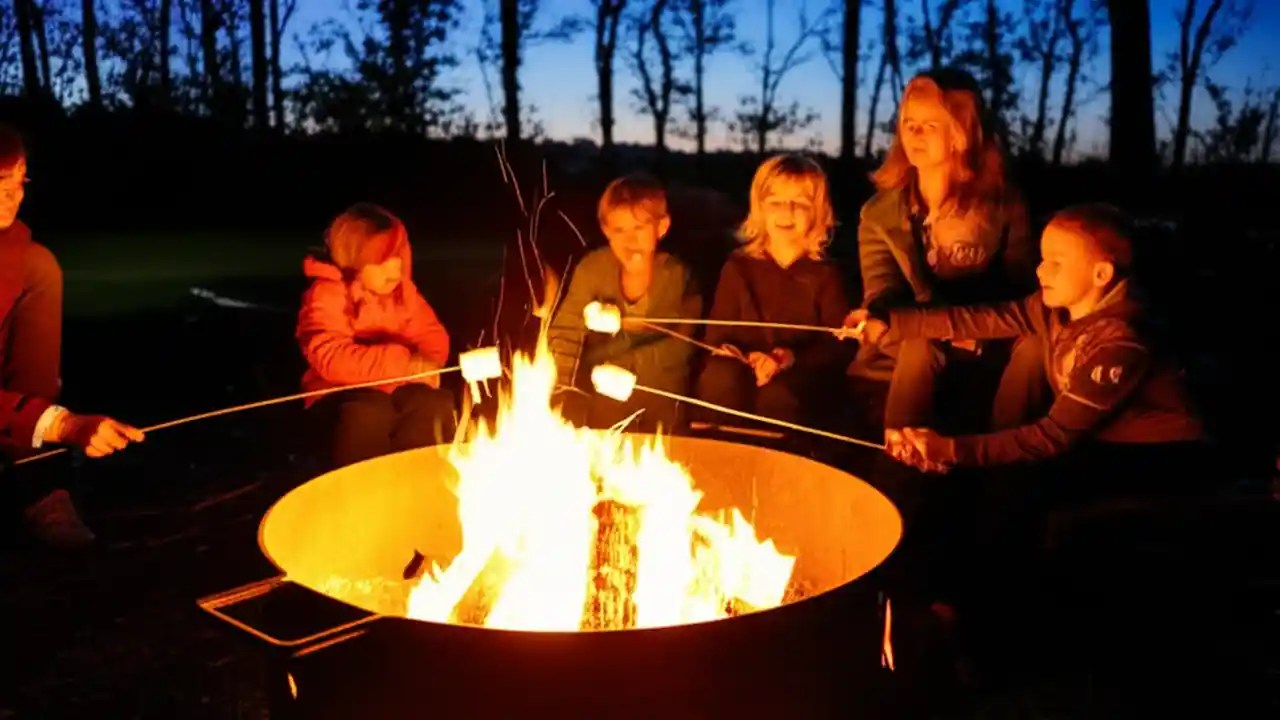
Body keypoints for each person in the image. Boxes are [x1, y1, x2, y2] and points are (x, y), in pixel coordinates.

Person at [849, 68, 1042, 435]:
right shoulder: (878, 212)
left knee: (1034, 347)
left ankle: (1006, 463)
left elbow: (1020, 290)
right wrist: (874, 316)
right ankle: (902, 460)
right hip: (910, 339)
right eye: (908, 122)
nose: (914, 133)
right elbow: (882, 289)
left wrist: (971, 330)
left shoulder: (1003, 205)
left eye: (930, 125)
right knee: (921, 343)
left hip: (986, 331)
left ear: (960, 133)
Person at [0, 123, 142, 549]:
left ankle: (39, 486)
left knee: (39, 265)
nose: (15, 197)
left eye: (19, 181)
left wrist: (43, 421)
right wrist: (61, 424)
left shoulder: (19, 258)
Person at [297, 203, 456, 470]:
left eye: (400, 258)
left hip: (397, 389)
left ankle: (421, 482)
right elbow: (330, 356)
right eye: (382, 261)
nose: (395, 270)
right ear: (355, 259)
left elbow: (432, 336)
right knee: (368, 414)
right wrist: (401, 364)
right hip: (340, 393)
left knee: (433, 403)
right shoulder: (327, 294)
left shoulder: (403, 294)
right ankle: (359, 493)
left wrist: (426, 363)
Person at [694, 154, 849, 426]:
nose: (786, 212)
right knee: (720, 377)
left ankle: (779, 460)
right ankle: (719, 451)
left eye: (799, 204)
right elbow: (716, 333)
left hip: (798, 377)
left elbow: (836, 346)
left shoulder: (826, 274)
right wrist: (738, 353)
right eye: (775, 202)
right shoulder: (738, 267)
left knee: (780, 394)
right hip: (743, 369)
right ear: (759, 207)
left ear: (817, 211)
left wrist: (788, 357)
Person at [548, 173, 701, 433]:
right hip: (603, 388)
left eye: (639, 228)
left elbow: (683, 343)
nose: (630, 241)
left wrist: (629, 366)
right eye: (619, 230)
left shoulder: (676, 276)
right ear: (606, 231)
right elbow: (566, 330)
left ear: (661, 228)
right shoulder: (593, 269)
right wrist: (559, 386)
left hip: (660, 387)